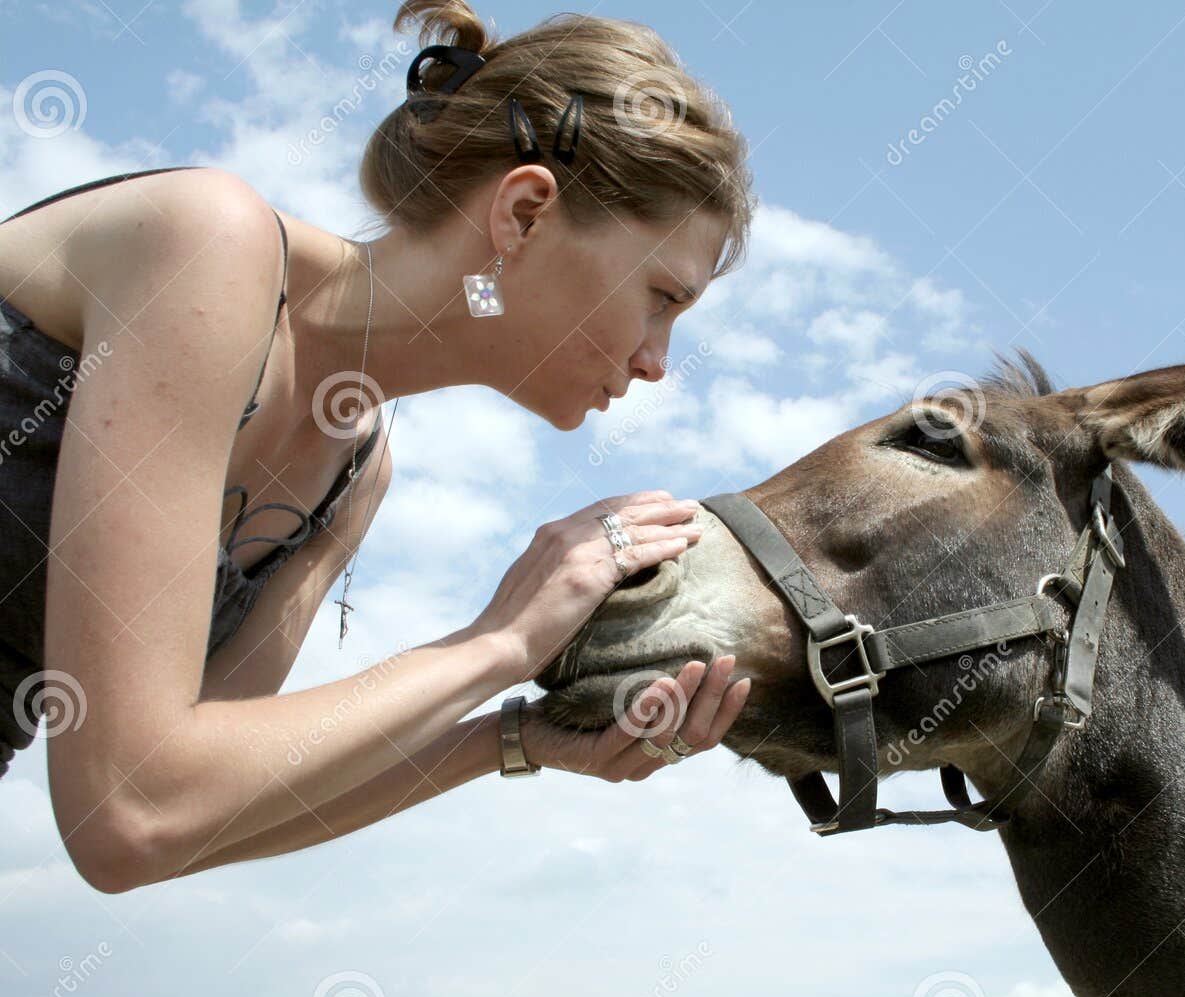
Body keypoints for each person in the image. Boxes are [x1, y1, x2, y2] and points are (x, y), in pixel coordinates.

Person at [0, 1, 756, 893]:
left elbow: (172, 827)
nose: (657, 362)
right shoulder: (206, 244)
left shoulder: (353, 474)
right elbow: (133, 802)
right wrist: (504, 640)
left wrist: (507, 738)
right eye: (663, 295)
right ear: (522, 215)